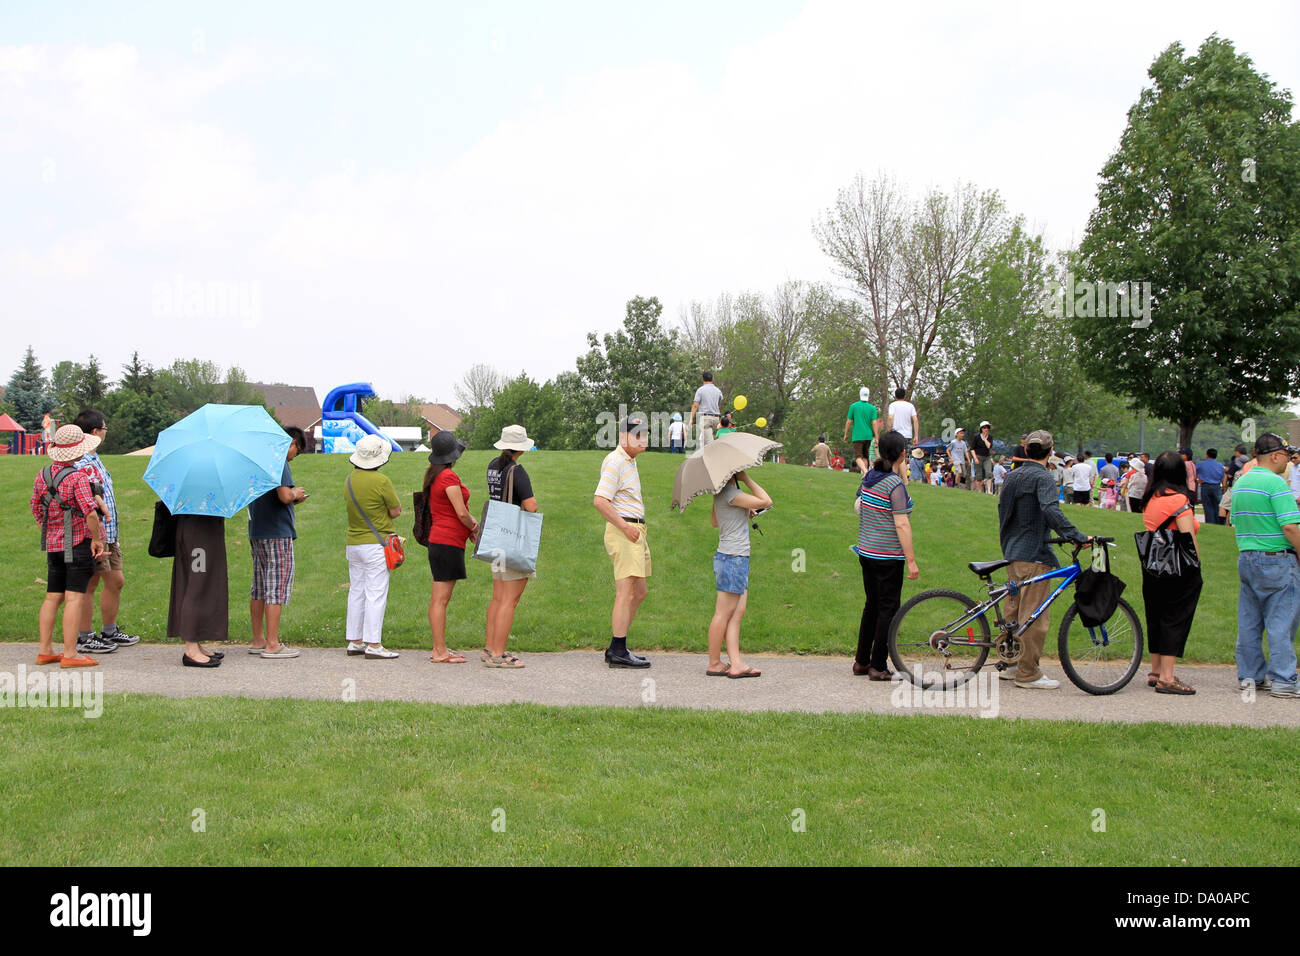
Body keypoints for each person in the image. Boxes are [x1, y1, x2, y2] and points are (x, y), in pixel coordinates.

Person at [997, 429, 1091, 689]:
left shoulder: (1013, 476)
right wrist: (1076, 535)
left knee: (1013, 612)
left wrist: (1007, 543)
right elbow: (1050, 510)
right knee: (1034, 616)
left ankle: (1011, 662)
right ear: (1051, 452)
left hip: (1013, 552)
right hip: (1034, 553)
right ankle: (1027, 672)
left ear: (1026, 450)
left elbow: (1003, 512)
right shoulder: (1044, 478)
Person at [1230, 433, 1300, 698]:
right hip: (1277, 558)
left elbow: (1235, 520)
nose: (1289, 459)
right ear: (1275, 455)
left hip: (1247, 556)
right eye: (1286, 454)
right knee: (1281, 621)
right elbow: (1290, 526)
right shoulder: (1276, 484)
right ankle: (1284, 680)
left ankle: (1250, 675)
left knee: (1250, 621)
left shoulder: (1242, 482)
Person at [30, 424, 105, 668]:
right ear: (77, 451)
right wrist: (96, 539)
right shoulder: (78, 477)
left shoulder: (42, 475)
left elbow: (35, 506)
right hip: (77, 545)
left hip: (53, 546)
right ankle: (70, 653)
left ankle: (45, 650)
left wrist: (51, 527)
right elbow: (90, 514)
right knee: (74, 598)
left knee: (53, 597)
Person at [72, 408, 141, 653]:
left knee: (116, 581)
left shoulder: (94, 457)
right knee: (90, 583)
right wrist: (96, 536)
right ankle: (84, 636)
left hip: (109, 534)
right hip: (94, 535)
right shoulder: (80, 461)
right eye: (104, 428)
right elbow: (86, 501)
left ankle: (109, 631)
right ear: (95, 432)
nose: (105, 432)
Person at [852, 430, 918, 679]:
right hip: (887, 556)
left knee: (872, 605)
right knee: (888, 609)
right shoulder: (894, 485)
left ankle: (861, 661)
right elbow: (901, 523)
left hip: (866, 551)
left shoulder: (869, 477)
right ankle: (878, 666)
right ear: (903, 454)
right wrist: (910, 560)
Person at [1139, 451, 1203, 694]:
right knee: (1175, 617)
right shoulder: (1179, 500)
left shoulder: (1150, 498)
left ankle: (1155, 671)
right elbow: (1188, 536)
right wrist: (1197, 563)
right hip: (1178, 567)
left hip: (1153, 564)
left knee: (1156, 615)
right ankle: (1167, 676)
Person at [593, 416, 653, 668]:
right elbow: (600, 500)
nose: (644, 439)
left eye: (645, 434)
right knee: (626, 591)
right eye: (637, 434)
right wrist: (625, 527)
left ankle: (617, 646)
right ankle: (618, 650)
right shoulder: (616, 461)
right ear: (623, 437)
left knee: (639, 592)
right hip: (625, 530)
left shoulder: (630, 461)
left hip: (636, 531)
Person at [245, 426, 307, 659]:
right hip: (277, 532)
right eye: (297, 450)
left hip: (257, 530)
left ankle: (258, 639)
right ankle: (273, 643)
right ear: (291, 442)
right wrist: (295, 493)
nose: (294, 456)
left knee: (259, 586)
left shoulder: (258, 461)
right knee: (276, 586)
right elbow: (283, 495)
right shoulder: (278, 460)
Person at [705, 470, 772, 678]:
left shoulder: (723, 493)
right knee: (723, 613)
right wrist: (747, 479)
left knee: (736, 613)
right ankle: (714, 663)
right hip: (732, 558)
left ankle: (736, 664)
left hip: (735, 558)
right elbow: (766, 500)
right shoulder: (729, 492)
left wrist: (741, 511)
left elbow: (716, 521)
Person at [482, 425, 537, 668]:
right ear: (521, 448)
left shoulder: (493, 466)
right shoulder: (518, 471)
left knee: (497, 598)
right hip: (512, 539)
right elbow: (531, 506)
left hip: (496, 536)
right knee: (509, 600)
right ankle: (498, 654)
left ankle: (489, 648)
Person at [344, 434, 402, 660]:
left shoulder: (349, 480)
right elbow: (395, 511)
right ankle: (374, 644)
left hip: (354, 542)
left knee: (356, 591)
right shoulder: (382, 481)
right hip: (376, 543)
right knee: (376, 592)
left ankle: (355, 641)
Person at [425, 430, 476, 664]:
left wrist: (470, 527)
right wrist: (475, 528)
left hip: (441, 540)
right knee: (441, 599)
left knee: (439, 598)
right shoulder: (448, 478)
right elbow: (461, 513)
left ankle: (440, 647)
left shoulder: (435, 475)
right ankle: (439, 651)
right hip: (447, 542)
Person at [843, 387, 880, 474]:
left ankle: (866, 472)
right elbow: (874, 423)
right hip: (868, 435)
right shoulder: (872, 408)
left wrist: (846, 434)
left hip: (858, 435)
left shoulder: (853, 406)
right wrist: (877, 437)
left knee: (858, 457)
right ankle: (864, 475)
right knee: (865, 456)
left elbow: (848, 421)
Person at [886, 388, 919, 482]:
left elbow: (890, 418)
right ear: (904, 396)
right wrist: (916, 435)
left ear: (895, 395)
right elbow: (915, 420)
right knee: (902, 457)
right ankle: (900, 479)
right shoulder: (910, 406)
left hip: (896, 434)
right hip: (907, 435)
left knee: (898, 458)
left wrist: (889, 431)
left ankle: (902, 480)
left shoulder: (893, 405)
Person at [688, 371, 724, 447]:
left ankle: (713, 457)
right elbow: (720, 399)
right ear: (712, 379)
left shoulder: (700, 390)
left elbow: (695, 405)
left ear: (703, 379)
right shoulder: (718, 390)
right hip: (716, 418)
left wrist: (691, 419)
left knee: (709, 443)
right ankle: (703, 456)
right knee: (704, 439)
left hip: (706, 418)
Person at [1196, 448, 1225, 525]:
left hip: (1205, 486)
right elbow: (1223, 476)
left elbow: (1193, 471)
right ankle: (1218, 522)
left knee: (1208, 506)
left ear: (1207, 455)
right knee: (1217, 505)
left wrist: (1198, 479)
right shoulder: (1220, 465)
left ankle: (1210, 522)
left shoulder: (1201, 464)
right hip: (1216, 486)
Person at [970, 421, 994, 493]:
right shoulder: (976, 437)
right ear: (981, 429)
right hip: (978, 456)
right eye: (984, 428)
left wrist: (985, 439)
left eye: (987, 427)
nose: (986, 429)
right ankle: (979, 490)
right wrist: (975, 458)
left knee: (989, 473)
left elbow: (989, 446)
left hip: (987, 457)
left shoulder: (990, 437)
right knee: (979, 475)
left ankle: (989, 490)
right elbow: (972, 449)